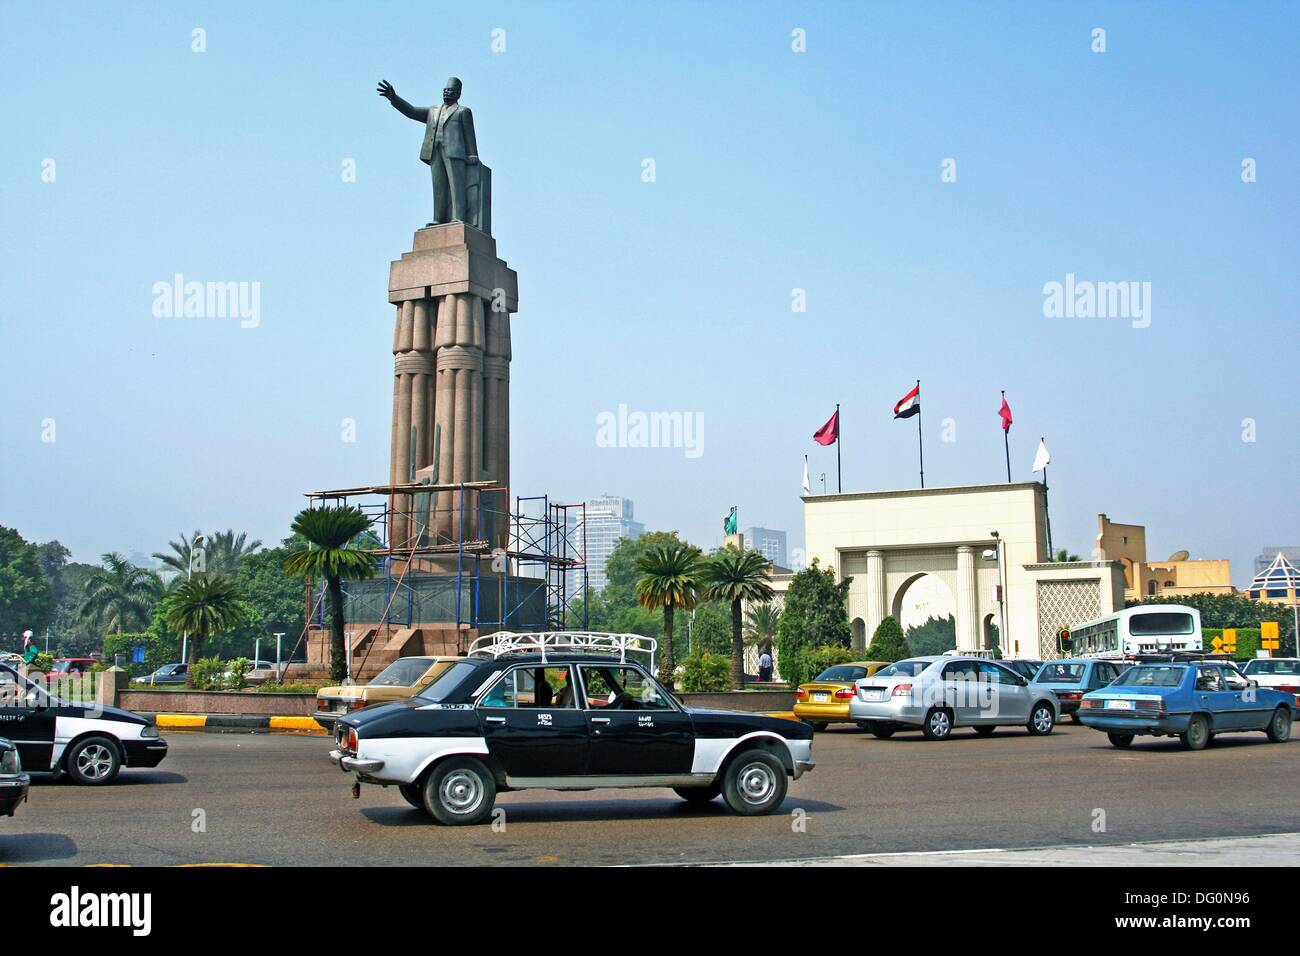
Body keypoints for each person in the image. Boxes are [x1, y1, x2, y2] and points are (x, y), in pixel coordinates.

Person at [377, 76, 480, 226]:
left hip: (455, 153)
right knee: (438, 187)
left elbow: (470, 134)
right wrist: (394, 98)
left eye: (451, 91)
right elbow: (412, 111)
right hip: (434, 151)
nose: (447, 93)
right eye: (445, 90)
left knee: (456, 186)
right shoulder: (433, 111)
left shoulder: (463, 111)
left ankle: (458, 217)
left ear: (458, 94)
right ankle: (438, 218)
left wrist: (473, 154)